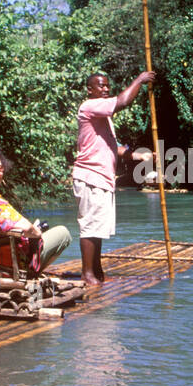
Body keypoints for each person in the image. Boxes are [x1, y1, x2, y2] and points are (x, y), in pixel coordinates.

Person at [72, 70, 156, 286]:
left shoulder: (104, 118)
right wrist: (139, 80)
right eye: (100, 85)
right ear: (90, 90)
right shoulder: (89, 106)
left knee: (98, 226)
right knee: (90, 226)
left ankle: (96, 271)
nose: (106, 89)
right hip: (91, 175)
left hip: (102, 178)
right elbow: (122, 102)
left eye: (107, 85)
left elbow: (112, 146)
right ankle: (87, 274)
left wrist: (137, 155)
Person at [0, 146, 71, 271]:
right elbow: (28, 228)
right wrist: (37, 232)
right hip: (9, 262)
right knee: (63, 233)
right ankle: (32, 272)